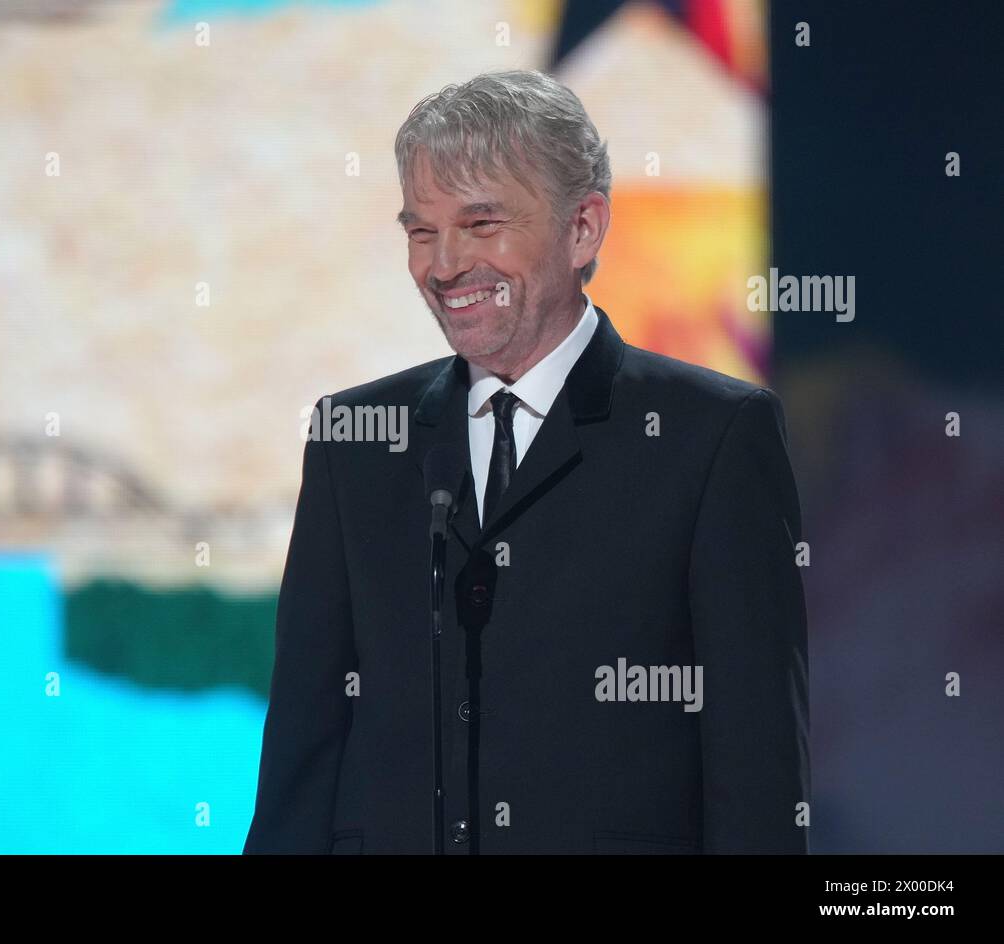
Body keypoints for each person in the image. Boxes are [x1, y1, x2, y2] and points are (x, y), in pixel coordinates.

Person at [244, 69, 809, 854]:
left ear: (583, 228)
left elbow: (757, 772)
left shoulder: (713, 436)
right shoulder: (356, 439)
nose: (443, 267)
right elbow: (304, 748)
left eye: (480, 225)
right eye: (420, 231)